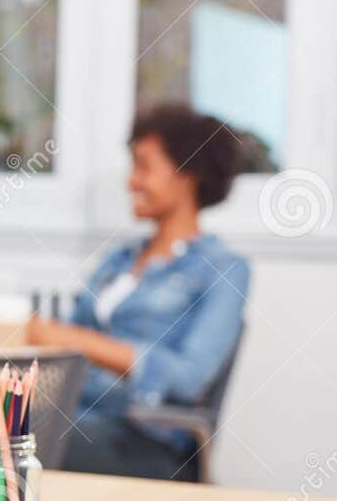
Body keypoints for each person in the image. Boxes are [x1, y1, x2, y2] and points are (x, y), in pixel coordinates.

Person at [29, 104, 250, 480]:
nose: (131, 182)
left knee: (12, 440)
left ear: (187, 174)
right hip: (76, 415)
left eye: (144, 167)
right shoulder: (119, 259)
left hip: (145, 439)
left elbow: (190, 377)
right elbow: (61, 346)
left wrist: (78, 341)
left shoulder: (223, 269)